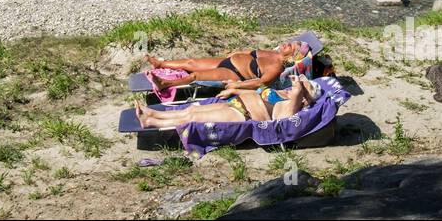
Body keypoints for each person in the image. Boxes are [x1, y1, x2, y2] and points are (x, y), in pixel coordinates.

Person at [133, 76, 318, 130]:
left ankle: (150, 122)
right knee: (191, 110)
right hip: (236, 104)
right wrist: (235, 91)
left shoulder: (291, 108)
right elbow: (258, 92)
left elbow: (297, 93)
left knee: (193, 118)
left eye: (304, 86)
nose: (297, 85)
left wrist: (300, 87)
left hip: (241, 115)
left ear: (304, 97)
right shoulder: (283, 96)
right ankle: (153, 113)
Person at [145, 41, 304, 90]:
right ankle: (160, 63)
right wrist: (236, 53)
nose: (286, 43)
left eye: (290, 46)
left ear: (293, 55)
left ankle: (165, 84)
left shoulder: (277, 66)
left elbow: (261, 83)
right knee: (191, 62)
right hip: (228, 60)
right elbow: (250, 52)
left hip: (234, 73)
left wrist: (237, 85)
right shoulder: (272, 52)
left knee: (195, 76)